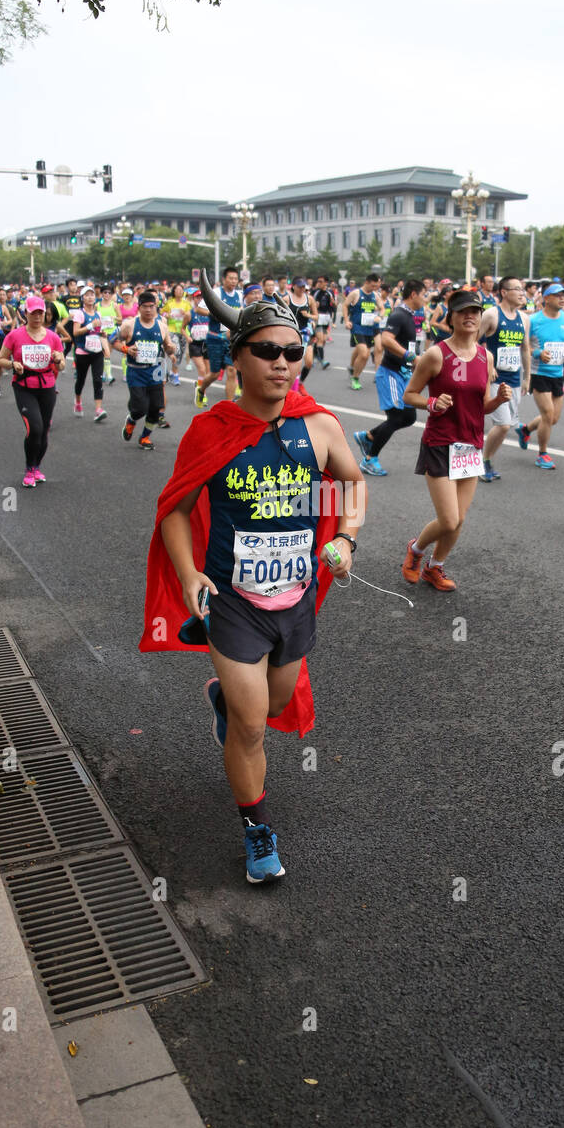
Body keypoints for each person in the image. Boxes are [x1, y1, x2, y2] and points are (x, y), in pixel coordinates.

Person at [141, 270, 365, 884]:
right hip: (231, 602)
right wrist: (188, 575)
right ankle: (256, 829)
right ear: (237, 356)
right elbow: (177, 509)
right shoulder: (211, 429)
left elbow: (350, 483)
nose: (282, 363)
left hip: (294, 601)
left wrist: (345, 534)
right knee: (249, 728)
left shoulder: (319, 426)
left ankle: (225, 699)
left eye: (293, 352)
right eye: (266, 350)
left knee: (274, 702)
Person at [401, 288, 511, 591]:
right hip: (439, 442)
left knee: (459, 519)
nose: (470, 316)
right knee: (448, 520)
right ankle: (416, 551)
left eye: (475, 311)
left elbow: (482, 404)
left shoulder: (486, 357)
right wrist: (431, 403)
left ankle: (435, 568)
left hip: (470, 445)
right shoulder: (436, 354)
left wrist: (499, 401)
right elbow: (409, 395)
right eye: (463, 312)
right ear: (451, 316)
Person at [353, 278, 423, 476]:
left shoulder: (411, 315)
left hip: (404, 374)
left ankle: (368, 436)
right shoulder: (399, 314)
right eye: (424, 294)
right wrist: (411, 356)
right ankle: (369, 459)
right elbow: (386, 339)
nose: (425, 299)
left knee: (409, 417)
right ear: (414, 294)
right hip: (391, 374)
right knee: (396, 417)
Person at [0, 294, 66, 486]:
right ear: (25, 313)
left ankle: (36, 467)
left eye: (40, 313)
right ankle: (28, 469)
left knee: (44, 430)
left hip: (47, 387)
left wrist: (59, 360)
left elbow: (61, 366)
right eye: (33, 312)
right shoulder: (15, 335)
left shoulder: (52, 337)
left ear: (45, 314)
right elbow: (0, 360)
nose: (37, 316)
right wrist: (13, 364)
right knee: (34, 428)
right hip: (24, 387)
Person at [515, 283, 564, 469]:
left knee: (553, 418)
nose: (563, 298)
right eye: (558, 295)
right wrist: (537, 353)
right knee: (547, 414)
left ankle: (525, 429)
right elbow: (523, 345)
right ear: (546, 298)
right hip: (538, 372)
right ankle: (542, 454)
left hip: (558, 374)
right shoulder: (533, 320)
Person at [479, 276, 531, 480]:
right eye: (517, 289)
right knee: (502, 424)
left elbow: (525, 348)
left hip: (514, 379)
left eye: (522, 289)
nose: (521, 293)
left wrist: (528, 377)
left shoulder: (524, 319)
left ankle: (487, 460)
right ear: (503, 292)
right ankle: (482, 461)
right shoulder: (492, 315)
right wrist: (487, 364)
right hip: (495, 378)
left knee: (506, 425)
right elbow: (473, 341)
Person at [117, 290, 175, 450]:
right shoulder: (130, 325)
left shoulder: (162, 327)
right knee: (140, 408)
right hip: (136, 371)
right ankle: (131, 420)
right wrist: (126, 350)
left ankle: (145, 437)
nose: (149, 310)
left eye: (152, 306)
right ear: (139, 307)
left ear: (156, 307)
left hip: (155, 370)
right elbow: (113, 341)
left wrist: (171, 350)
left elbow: (168, 348)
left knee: (157, 407)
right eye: (145, 307)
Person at [197, 267, 241, 405]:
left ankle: (229, 405)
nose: (233, 281)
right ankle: (201, 389)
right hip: (215, 338)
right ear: (224, 279)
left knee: (232, 370)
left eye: (235, 278)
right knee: (215, 374)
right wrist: (214, 313)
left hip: (231, 339)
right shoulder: (215, 293)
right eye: (231, 278)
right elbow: (198, 309)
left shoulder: (239, 295)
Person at [71, 286, 108, 421]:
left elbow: (98, 331)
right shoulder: (79, 314)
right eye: (87, 295)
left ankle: (98, 410)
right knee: (80, 380)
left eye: (92, 295)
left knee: (98, 380)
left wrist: (102, 333)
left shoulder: (98, 314)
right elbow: (75, 332)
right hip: (83, 351)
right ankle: (78, 401)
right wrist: (90, 326)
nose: (90, 297)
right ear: (82, 298)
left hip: (97, 351)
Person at [345, 274, 384, 390]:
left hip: (370, 328)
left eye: (376, 286)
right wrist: (347, 320)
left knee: (368, 353)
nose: (374, 288)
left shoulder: (375, 295)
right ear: (366, 282)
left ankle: (353, 368)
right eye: (373, 285)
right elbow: (345, 305)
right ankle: (355, 378)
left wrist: (380, 317)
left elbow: (382, 308)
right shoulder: (356, 293)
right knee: (364, 354)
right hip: (357, 327)